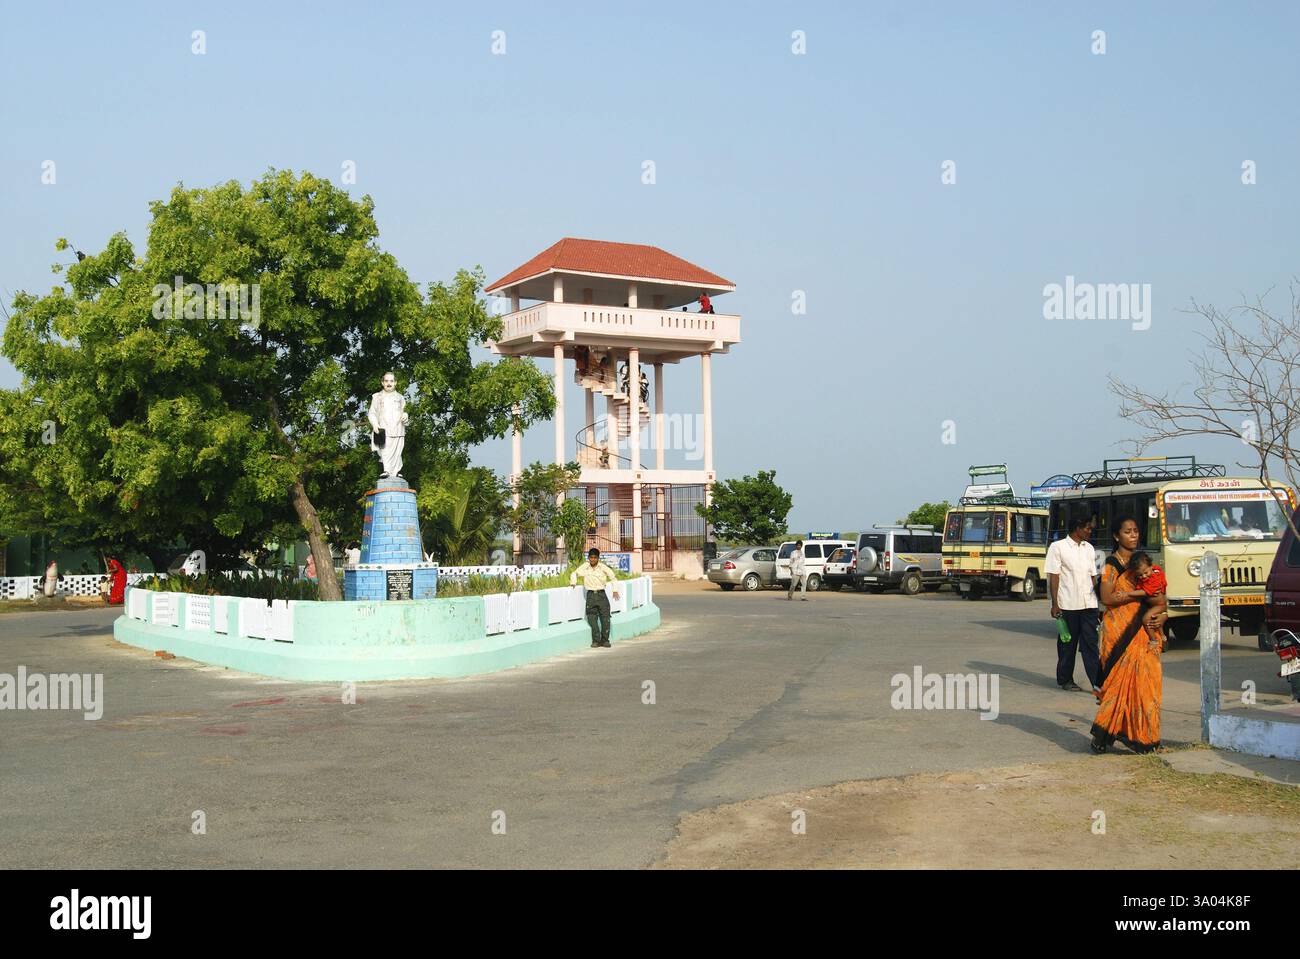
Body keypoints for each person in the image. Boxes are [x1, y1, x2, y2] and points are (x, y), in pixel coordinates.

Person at [1091, 517, 1168, 753]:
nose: (1133, 535)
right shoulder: (1111, 566)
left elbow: (1160, 595)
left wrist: (1163, 615)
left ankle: (1145, 737)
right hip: (1119, 631)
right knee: (1118, 684)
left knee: (1147, 682)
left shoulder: (1143, 563)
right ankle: (1103, 734)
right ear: (1117, 536)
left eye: (1136, 531)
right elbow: (1107, 598)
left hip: (1144, 631)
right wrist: (1140, 593)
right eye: (1127, 532)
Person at [1045, 516, 1101, 694]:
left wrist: (1098, 603)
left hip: (1089, 604)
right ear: (1077, 528)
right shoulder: (1058, 547)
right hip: (1067, 604)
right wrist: (1055, 604)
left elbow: (1093, 576)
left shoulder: (1089, 548)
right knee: (1067, 644)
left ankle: (1097, 681)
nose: (1090, 531)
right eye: (1087, 528)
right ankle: (1065, 679)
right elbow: (1054, 576)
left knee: (1090, 644)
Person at [570, 547, 621, 648]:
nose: (592, 560)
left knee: (605, 618)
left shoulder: (602, 567)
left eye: (595, 558)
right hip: (590, 595)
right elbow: (575, 573)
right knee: (592, 618)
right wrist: (573, 582)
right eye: (591, 557)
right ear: (588, 558)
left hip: (601, 594)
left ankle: (605, 640)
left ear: (598, 558)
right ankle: (596, 641)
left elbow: (613, 577)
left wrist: (615, 590)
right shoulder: (585, 567)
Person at [367, 371, 409, 479]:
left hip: (398, 429)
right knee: (385, 450)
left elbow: (404, 411)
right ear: (382, 383)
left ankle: (396, 471)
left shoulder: (400, 398)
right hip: (384, 429)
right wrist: (375, 424)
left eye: (391, 381)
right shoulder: (377, 397)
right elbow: (372, 413)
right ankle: (387, 470)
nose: (389, 383)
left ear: (395, 383)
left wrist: (405, 415)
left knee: (397, 451)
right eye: (386, 381)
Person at [1128, 551, 1168, 649]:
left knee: (1146, 619)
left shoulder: (1154, 579)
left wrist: (1128, 593)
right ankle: (1163, 637)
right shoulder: (1156, 571)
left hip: (1159, 606)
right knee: (1156, 621)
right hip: (1156, 605)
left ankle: (1153, 640)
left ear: (1151, 566)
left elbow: (1145, 592)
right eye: (1140, 575)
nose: (1144, 577)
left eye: (1146, 573)